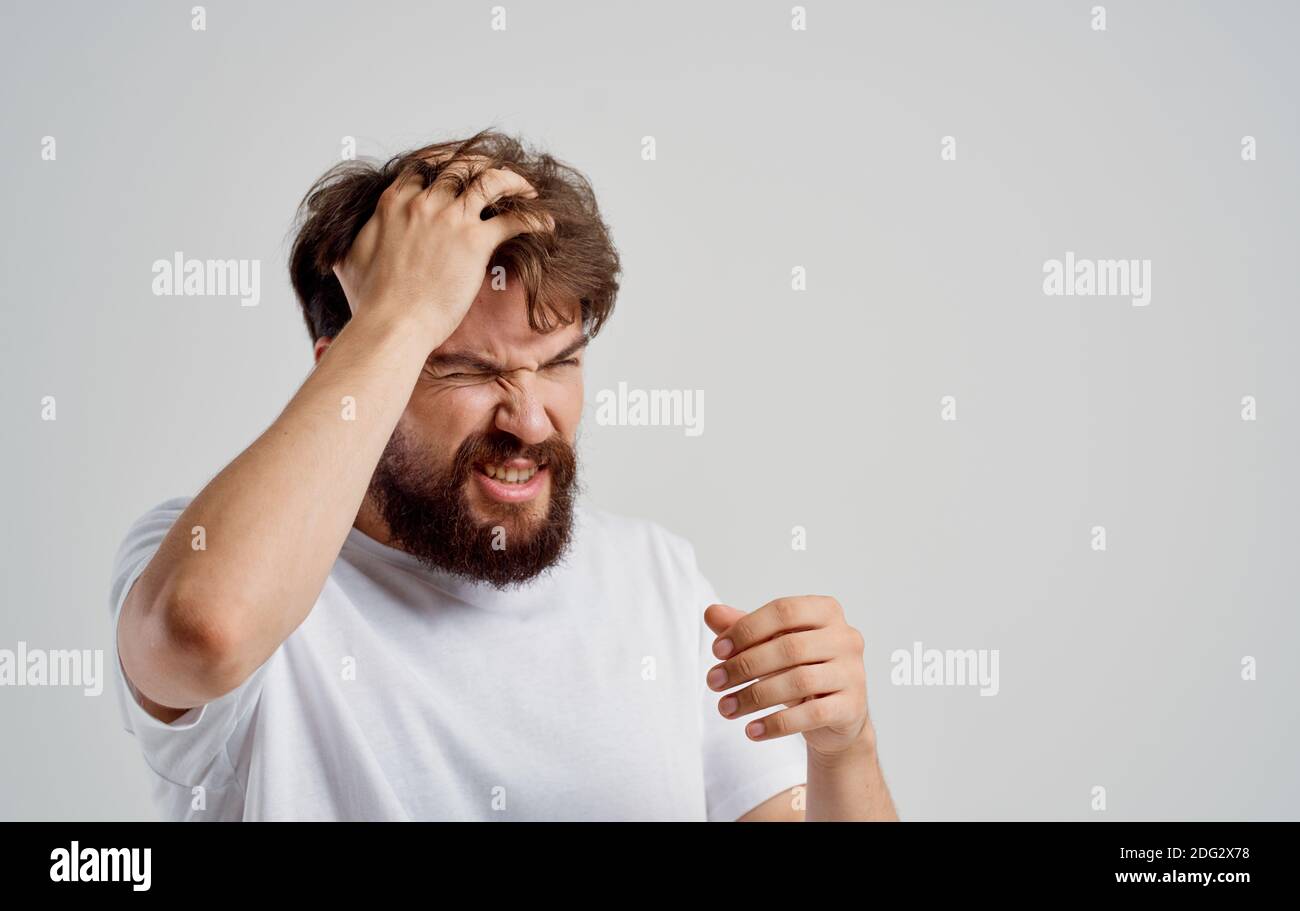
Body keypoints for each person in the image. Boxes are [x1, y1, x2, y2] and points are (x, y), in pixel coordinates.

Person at [109, 129, 898, 821]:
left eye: (559, 363)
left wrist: (845, 751)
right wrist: (398, 315)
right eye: (465, 369)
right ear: (348, 369)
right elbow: (201, 634)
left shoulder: (657, 578)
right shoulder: (207, 557)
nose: (528, 419)